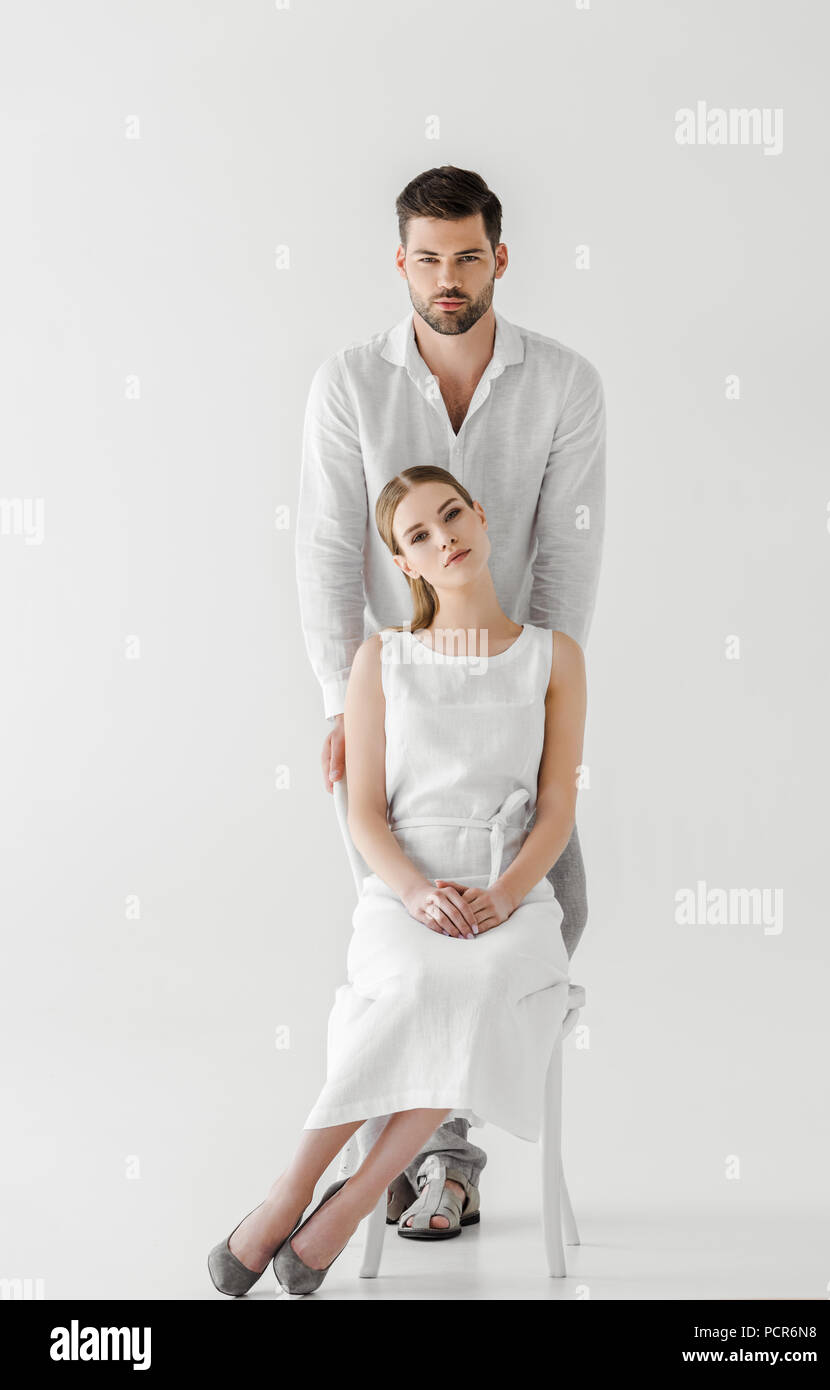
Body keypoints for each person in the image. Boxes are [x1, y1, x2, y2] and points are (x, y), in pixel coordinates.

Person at [295, 164, 605, 1233]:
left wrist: (544, 694)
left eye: (467, 256)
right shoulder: (349, 383)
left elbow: (567, 558)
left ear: (499, 258)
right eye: (427, 260)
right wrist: (349, 700)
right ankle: (437, 1160)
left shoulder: (563, 383)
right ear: (401, 265)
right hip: (402, 704)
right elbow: (331, 552)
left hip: (519, 702)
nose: (447, 279)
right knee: (412, 941)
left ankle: (380, 1174)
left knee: (550, 914)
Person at [208, 466, 587, 1296]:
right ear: (404, 563)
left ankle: (351, 1199)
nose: (444, 537)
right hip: (403, 885)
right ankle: (295, 1189)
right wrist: (415, 893)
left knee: (485, 984)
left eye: (452, 515)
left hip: (509, 888)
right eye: (418, 534)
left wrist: (508, 892)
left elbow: (557, 806)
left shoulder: (553, 657)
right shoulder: (382, 657)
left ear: (483, 518)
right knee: (415, 981)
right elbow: (366, 815)